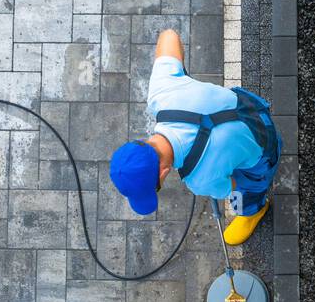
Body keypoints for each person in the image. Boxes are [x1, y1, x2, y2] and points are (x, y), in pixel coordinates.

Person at [108, 29, 281, 245]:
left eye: (157, 187)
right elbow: (169, 35)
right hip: (251, 106)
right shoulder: (162, 93)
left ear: (163, 173)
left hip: (265, 148)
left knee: (248, 187)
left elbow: (234, 182)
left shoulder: (199, 181)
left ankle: (253, 210)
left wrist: (220, 165)